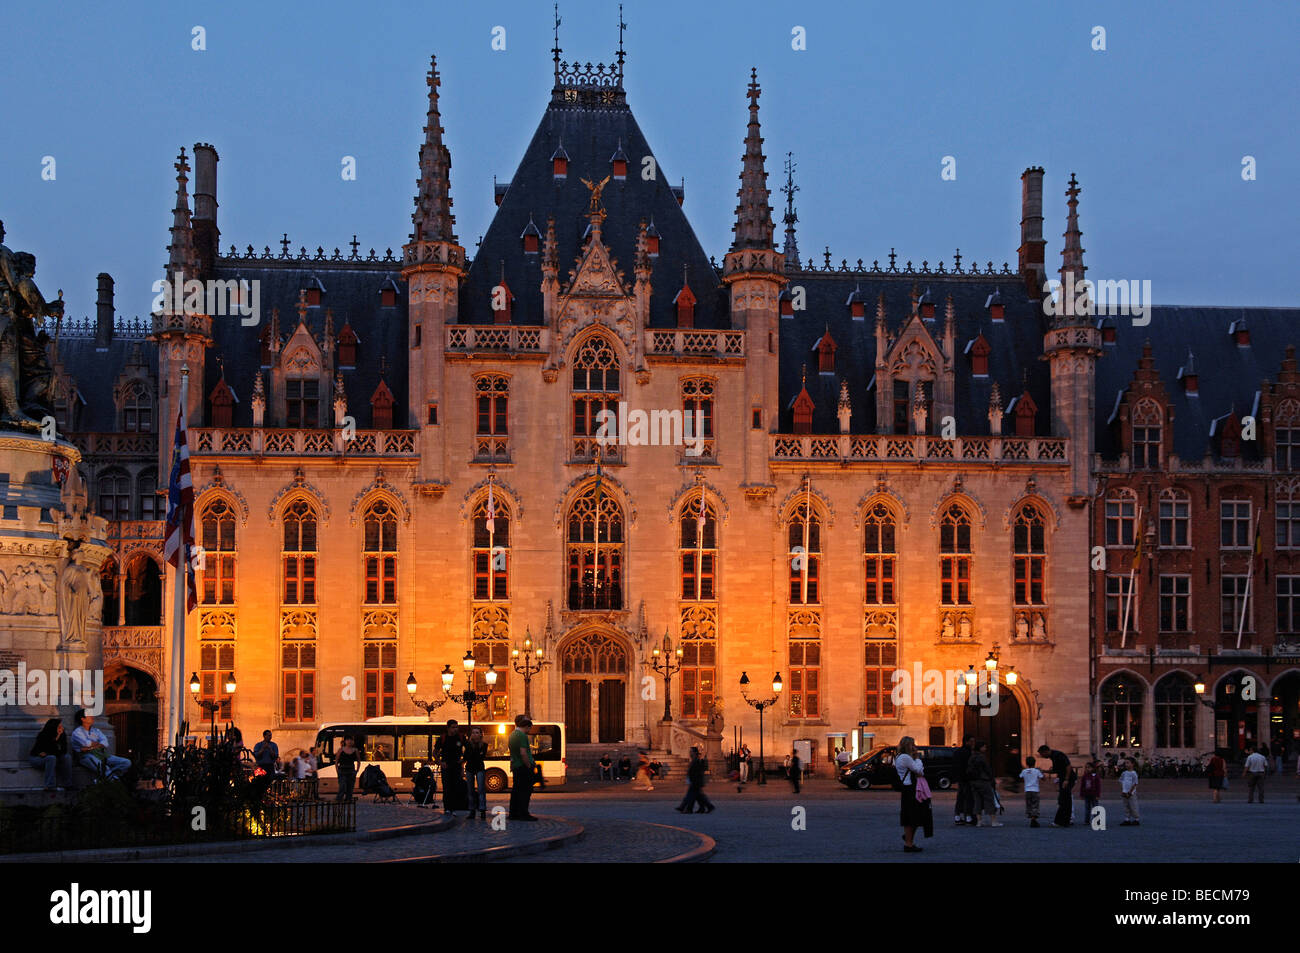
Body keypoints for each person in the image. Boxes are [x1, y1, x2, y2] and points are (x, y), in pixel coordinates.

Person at [69, 709, 131, 782]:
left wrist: (90, 746)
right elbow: (86, 743)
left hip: (101, 754)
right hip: (86, 756)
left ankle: (100, 780)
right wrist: (97, 744)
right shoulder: (77, 732)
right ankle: (114, 782)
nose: (92, 717)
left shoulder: (96, 731)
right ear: (83, 719)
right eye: (89, 715)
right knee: (105, 768)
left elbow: (105, 743)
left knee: (126, 762)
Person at [896, 736, 929, 852]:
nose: (915, 747)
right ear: (908, 745)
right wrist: (918, 759)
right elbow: (919, 771)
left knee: (914, 816)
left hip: (909, 788)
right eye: (913, 744)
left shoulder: (900, 756)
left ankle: (908, 839)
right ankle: (908, 843)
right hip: (910, 789)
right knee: (911, 816)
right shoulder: (905, 757)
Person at [508, 714, 538, 821]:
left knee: (516, 791)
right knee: (525, 792)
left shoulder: (512, 734)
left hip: (517, 766)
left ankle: (514, 813)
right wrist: (529, 765)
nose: (529, 730)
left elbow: (512, 754)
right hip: (523, 767)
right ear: (525, 725)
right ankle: (524, 813)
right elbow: (523, 753)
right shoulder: (522, 735)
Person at [435, 720, 468, 816]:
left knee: (455, 787)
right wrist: (440, 762)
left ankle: (453, 808)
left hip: (457, 766)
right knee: (447, 788)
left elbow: (468, 749)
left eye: (456, 727)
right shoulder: (443, 738)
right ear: (448, 728)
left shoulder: (461, 737)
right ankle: (447, 808)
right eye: (453, 727)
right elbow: (435, 752)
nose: (455, 729)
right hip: (446, 766)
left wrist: (463, 761)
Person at [29, 718, 73, 789]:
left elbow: (64, 750)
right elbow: (45, 750)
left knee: (67, 757)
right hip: (37, 759)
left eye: (62, 726)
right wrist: (56, 739)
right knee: (51, 758)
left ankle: (68, 784)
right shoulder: (43, 735)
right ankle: (49, 786)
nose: (62, 728)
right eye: (59, 727)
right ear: (53, 727)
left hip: (54, 757)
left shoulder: (62, 735)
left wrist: (58, 740)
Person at [1038, 745, 1075, 827]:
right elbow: (1056, 770)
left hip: (1067, 778)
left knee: (1064, 799)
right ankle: (1065, 821)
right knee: (1065, 799)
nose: (1042, 756)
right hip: (1063, 778)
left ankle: (1060, 821)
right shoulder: (1053, 756)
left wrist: (1066, 780)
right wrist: (1044, 771)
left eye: (1042, 754)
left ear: (1045, 751)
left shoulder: (1058, 755)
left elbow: (1068, 766)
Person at [968, 740, 1001, 827]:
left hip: (973, 781)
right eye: (984, 747)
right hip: (983, 781)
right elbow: (987, 770)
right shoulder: (981, 757)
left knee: (977, 801)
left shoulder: (971, 757)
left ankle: (979, 821)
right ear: (980, 748)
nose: (985, 748)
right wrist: (992, 780)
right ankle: (993, 821)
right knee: (989, 800)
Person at [677, 746, 715, 814]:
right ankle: (705, 807)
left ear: (694, 753)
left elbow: (697, 772)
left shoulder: (697, 760)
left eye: (691, 751)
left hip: (696, 781)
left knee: (690, 795)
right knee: (698, 796)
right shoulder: (694, 760)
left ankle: (687, 808)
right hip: (695, 781)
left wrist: (693, 780)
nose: (689, 753)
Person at [465, 726, 489, 820]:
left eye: (477, 732)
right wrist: (474, 752)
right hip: (470, 768)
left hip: (479, 768)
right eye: (473, 732)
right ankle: (472, 811)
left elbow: (481, 757)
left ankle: (482, 810)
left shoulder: (484, 745)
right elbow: (467, 756)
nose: (475, 734)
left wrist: (474, 753)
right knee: (470, 790)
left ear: (480, 734)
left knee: (481, 790)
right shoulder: (468, 744)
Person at [953, 735, 974, 825]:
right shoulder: (968, 752)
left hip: (960, 778)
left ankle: (958, 816)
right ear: (966, 742)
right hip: (967, 778)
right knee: (968, 798)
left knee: (960, 797)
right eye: (971, 741)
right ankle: (968, 817)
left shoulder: (957, 752)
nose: (973, 743)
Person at [1020, 755, 1044, 827]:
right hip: (1035, 790)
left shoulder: (1024, 771)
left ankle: (1030, 815)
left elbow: (1020, 777)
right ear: (1034, 763)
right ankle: (1034, 819)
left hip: (1027, 790)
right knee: (1035, 804)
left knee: (1029, 804)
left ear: (1026, 764)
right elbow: (1043, 778)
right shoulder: (1037, 771)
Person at [335, 734, 360, 802]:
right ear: (345, 741)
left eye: (351, 740)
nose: (349, 741)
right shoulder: (341, 750)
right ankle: (339, 799)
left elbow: (358, 761)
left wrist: (356, 770)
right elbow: (336, 761)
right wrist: (337, 770)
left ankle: (348, 799)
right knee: (342, 786)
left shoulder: (355, 750)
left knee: (350, 787)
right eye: (348, 740)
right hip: (342, 770)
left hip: (351, 770)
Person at [1119, 759, 1140, 825]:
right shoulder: (1124, 773)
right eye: (1125, 763)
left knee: (1133, 806)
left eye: (1128, 763)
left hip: (1131, 793)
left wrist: (1130, 792)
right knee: (1126, 806)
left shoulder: (1134, 773)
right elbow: (1121, 781)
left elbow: (1135, 783)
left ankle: (1136, 819)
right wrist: (1123, 790)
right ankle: (1127, 819)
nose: (1126, 764)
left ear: (1132, 764)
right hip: (1124, 792)